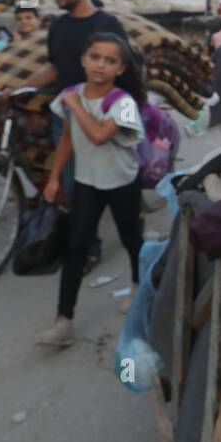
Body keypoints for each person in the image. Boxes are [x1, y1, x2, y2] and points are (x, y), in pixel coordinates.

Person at [36, 33, 147, 348]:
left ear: (121, 68)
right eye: (95, 57)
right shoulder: (72, 94)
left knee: (131, 238)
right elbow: (69, 138)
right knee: (76, 246)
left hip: (121, 180)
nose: (101, 65)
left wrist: (75, 104)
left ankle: (140, 287)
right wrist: (55, 177)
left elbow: (98, 135)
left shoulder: (123, 103)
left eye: (110, 60)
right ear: (83, 60)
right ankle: (63, 320)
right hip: (86, 180)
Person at [23, 0, 131, 272]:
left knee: (110, 183)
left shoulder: (108, 25)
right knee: (74, 185)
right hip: (67, 120)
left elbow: (125, 71)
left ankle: (131, 234)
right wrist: (17, 88)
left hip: (102, 119)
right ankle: (88, 245)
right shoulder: (57, 27)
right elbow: (56, 69)